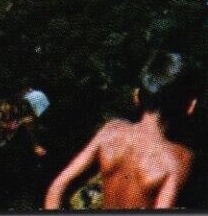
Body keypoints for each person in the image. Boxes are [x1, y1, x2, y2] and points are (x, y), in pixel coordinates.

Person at [44, 51, 198, 210]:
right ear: (190, 107)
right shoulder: (179, 159)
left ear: (136, 96)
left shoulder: (112, 130)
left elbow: (57, 186)